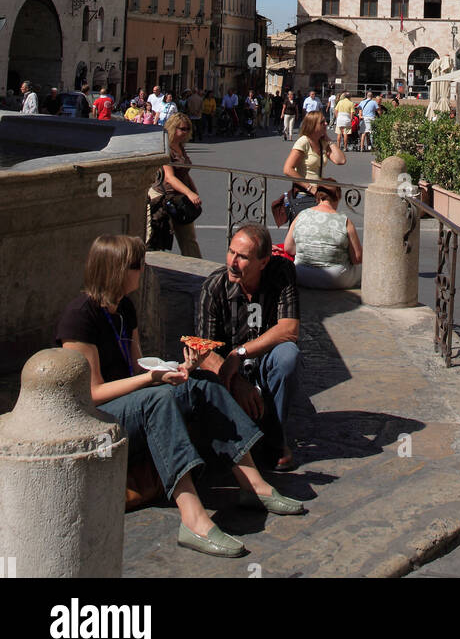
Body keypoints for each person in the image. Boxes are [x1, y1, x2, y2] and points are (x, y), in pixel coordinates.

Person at [56, 234, 303, 559]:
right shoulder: (80, 316)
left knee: (201, 382)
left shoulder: (124, 309)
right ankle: (192, 517)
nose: (142, 272)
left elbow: (137, 369)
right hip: (97, 419)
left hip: (129, 402)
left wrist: (180, 370)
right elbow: (93, 394)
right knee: (157, 399)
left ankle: (253, 483)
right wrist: (152, 379)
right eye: (137, 266)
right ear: (116, 270)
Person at [196, 224, 301, 472]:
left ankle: (274, 437)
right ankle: (242, 440)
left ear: (263, 262)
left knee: (288, 356)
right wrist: (236, 380)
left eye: (242, 257)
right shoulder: (214, 287)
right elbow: (203, 350)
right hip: (227, 371)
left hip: (262, 359)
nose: (233, 262)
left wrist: (240, 353)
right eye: (231, 252)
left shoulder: (281, 272)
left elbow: (290, 329)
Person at [283, 181, 362, 290]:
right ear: (338, 197)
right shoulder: (344, 221)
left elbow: (288, 248)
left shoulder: (302, 215)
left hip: (301, 274)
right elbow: (357, 258)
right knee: (362, 268)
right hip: (335, 278)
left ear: (318, 197)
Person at [145, 113, 203, 257]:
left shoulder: (180, 147)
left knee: (189, 239)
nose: (186, 132)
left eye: (188, 129)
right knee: (154, 238)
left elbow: (185, 173)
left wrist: (193, 191)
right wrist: (189, 193)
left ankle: (197, 270)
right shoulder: (166, 148)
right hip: (162, 197)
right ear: (172, 128)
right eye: (182, 129)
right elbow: (170, 177)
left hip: (179, 197)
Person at [283, 112, 346, 207]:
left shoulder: (322, 143)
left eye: (325, 121)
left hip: (318, 194)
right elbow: (288, 169)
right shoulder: (303, 142)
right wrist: (309, 187)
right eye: (322, 122)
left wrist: (328, 139)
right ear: (312, 125)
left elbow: (340, 160)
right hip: (304, 194)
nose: (326, 123)